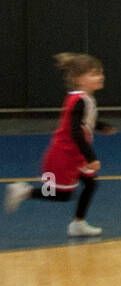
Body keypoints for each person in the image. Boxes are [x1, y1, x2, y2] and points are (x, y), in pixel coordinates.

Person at [6, 53, 114, 236]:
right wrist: (91, 157)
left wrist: (100, 126)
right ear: (80, 79)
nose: (100, 77)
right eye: (94, 74)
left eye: (101, 73)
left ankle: (78, 224)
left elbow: (83, 121)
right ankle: (24, 191)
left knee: (91, 184)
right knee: (59, 195)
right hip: (63, 156)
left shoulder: (84, 98)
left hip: (75, 154)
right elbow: (75, 132)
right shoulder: (79, 100)